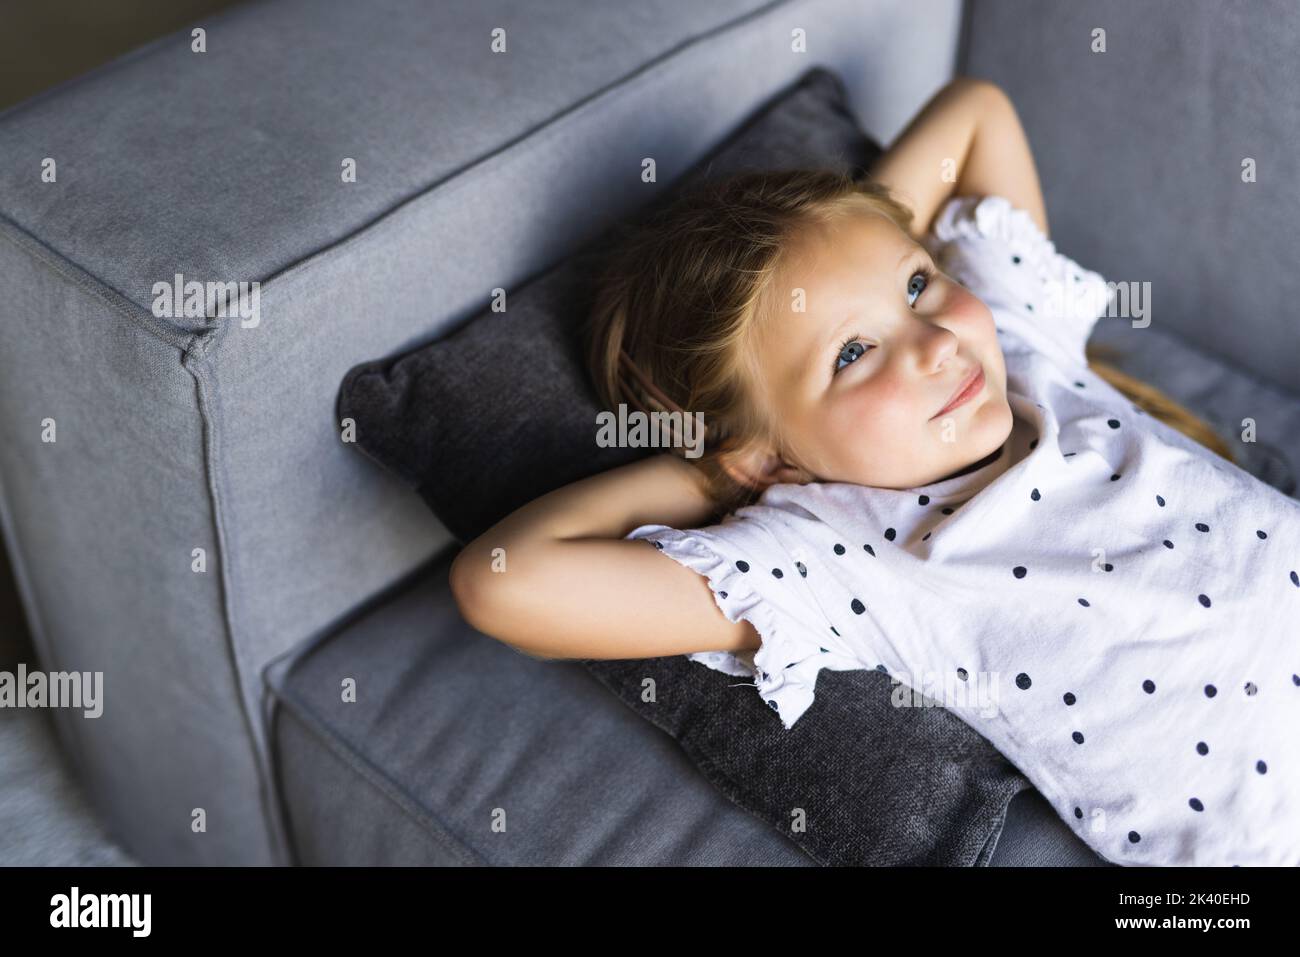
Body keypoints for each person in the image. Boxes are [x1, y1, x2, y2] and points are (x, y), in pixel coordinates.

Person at [450, 77, 1300, 866]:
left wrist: (843, 224)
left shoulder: (1015, 337)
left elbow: (977, 110)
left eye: (919, 283)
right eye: (854, 351)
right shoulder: (837, 557)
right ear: (769, 453)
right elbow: (502, 583)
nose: (936, 342)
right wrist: (729, 471)